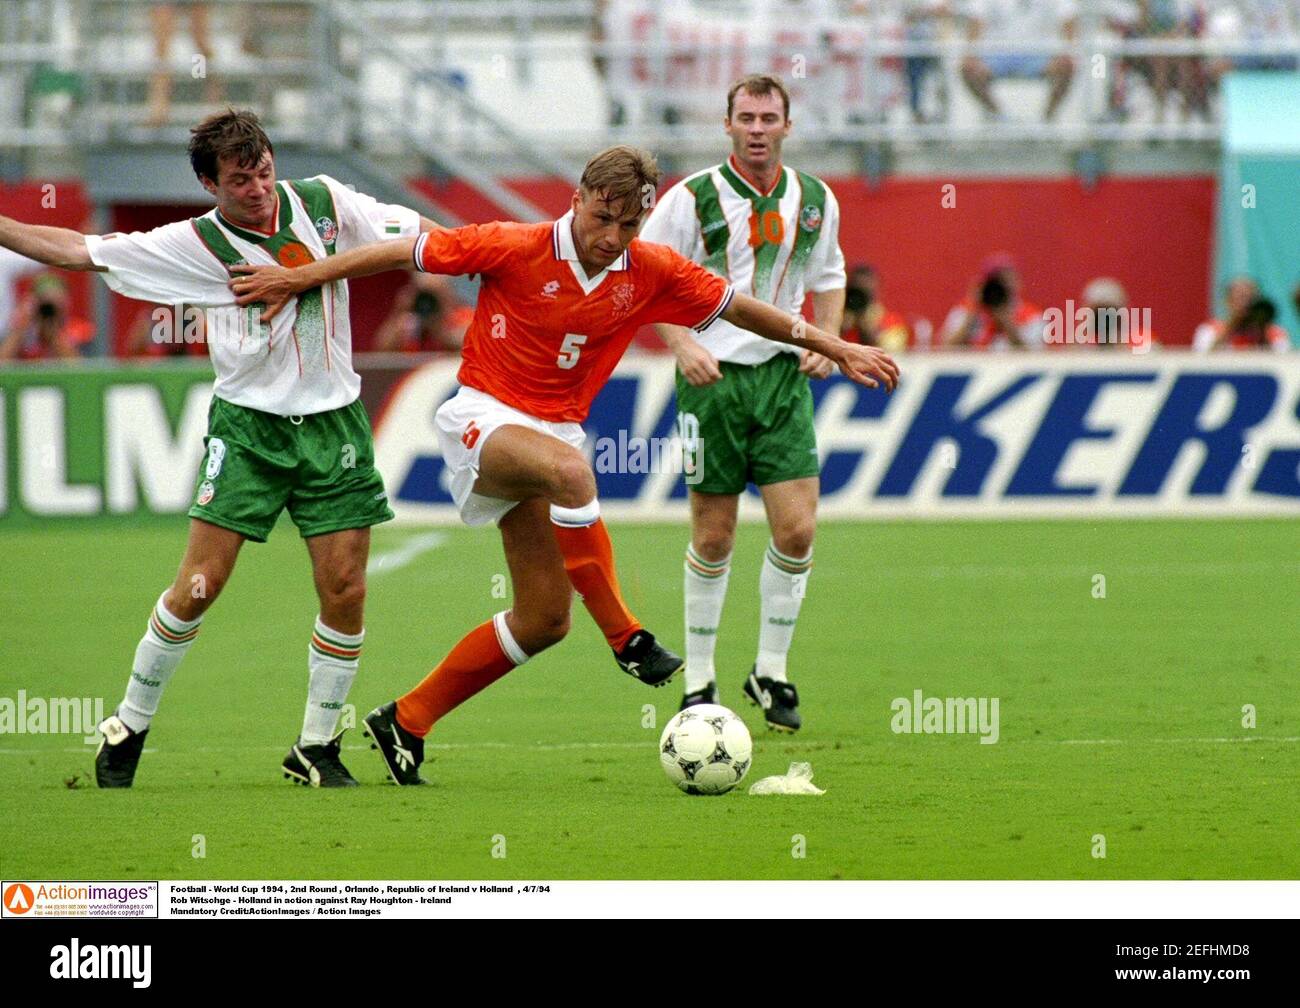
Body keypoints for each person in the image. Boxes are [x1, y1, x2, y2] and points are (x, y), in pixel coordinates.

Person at [229, 144, 899, 784]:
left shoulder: (651, 269)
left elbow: (744, 309)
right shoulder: (513, 244)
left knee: (545, 617)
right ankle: (627, 637)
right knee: (575, 475)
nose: (613, 234)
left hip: (550, 440)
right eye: (602, 216)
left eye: (629, 222)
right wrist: (296, 277)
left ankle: (406, 721)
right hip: (483, 421)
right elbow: (401, 251)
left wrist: (834, 346)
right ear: (576, 199)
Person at [0, 108, 442, 788]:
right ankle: (130, 722)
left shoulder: (324, 201)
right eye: (240, 181)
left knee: (346, 587)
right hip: (249, 429)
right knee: (200, 587)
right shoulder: (194, 244)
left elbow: (418, 238)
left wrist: (498, 252)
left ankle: (316, 746)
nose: (259, 189)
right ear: (210, 184)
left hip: (335, 425)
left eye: (264, 171)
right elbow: (74, 251)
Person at [637, 74, 841, 732]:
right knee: (714, 534)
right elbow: (646, 279)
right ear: (727, 125)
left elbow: (829, 275)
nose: (757, 128)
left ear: (787, 125)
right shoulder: (690, 198)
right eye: (746, 117)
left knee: (798, 530)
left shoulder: (815, 199)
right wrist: (679, 344)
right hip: (712, 382)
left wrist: (828, 343)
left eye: (769, 117)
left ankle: (771, 670)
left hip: (782, 379)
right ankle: (699, 681)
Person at [960, 0, 1078, 122]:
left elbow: (1068, 18)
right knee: (969, 67)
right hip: (997, 53)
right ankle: (998, 118)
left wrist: (1068, 51)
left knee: (1067, 64)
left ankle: (1047, 120)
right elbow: (976, 20)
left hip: (1040, 53)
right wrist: (971, 54)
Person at [940, 253, 1044, 349]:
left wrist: (1006, 322)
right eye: (998, 280)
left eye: (1008, 279)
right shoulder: (966, 311)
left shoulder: (1031, 315)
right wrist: (972, 314)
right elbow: (945, 348)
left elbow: (1033, 356)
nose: (1004, 285)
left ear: (1017, 282)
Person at [0, 273, 93, 360]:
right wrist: (20, 328)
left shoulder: (81, 330)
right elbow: (3, 364)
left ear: (67, 302)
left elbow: (80, 368)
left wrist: (53, 335)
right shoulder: (19, 332)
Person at [1194, 276, 1290, 352]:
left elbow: (1283, 363)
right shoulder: (1209, 330)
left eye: (1250, 299)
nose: (1245, 304)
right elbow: (1201, 360)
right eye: (1240, 298)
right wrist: (1231, 326)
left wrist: (1262, 332)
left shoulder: (1275, 333)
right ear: (1227, 301)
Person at [842, 263, 913, 352]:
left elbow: (891, 352)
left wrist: (868, 329)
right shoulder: (839, 318)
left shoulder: (892, 322)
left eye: (866, 290)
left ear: (877, 290)